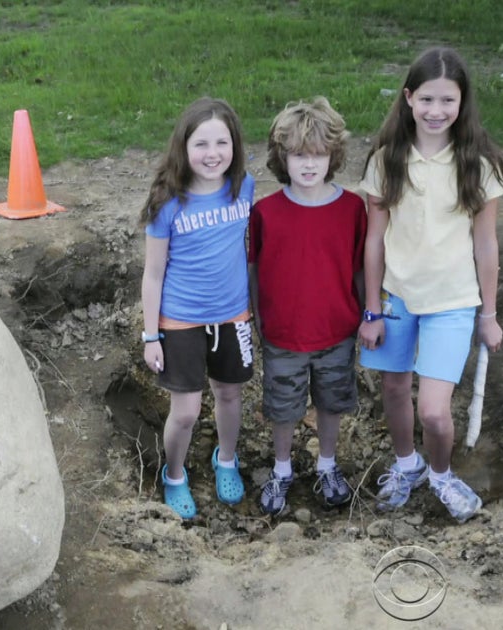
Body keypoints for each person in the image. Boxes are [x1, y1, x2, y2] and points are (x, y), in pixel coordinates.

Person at [358, 47, 503, 523]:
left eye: (448, 100)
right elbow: (374, 240)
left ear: (462, 103)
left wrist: (488, 314)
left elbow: (485, 244)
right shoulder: (387, 161)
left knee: (432, 411)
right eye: (427, 99)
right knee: (393, 388)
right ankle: (407, 464)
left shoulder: (478, 164)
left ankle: (442, 474)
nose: (436, 110)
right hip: (397, 298)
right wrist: (371, 309)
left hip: (452, 301)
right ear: (409, 98)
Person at [247, 97, 367, 516]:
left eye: (318, 154)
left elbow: (359, 268)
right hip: (284, 334)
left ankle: (327, 465)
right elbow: (254, 269)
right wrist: (258, 320)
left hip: (336, 330)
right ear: (283, 157)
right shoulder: (265, 212)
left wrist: (366, 314)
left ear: (334, 156)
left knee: (331, 402)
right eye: (299, 155)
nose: (309, 164)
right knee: (283, 407)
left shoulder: (352, 209)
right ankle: (281, 469)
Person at [139, 97, 256, 520]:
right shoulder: (168, 202)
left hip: (232, 315)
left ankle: (226, 460)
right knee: (186, 412)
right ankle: (174, 475)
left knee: (229, 393)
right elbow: (153, 274)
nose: (212, 154)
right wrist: (151, 335)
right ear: (183, 147)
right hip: (180, 320)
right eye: (201, 144)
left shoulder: (244, 187)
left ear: (235, 145)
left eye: (221, 143)